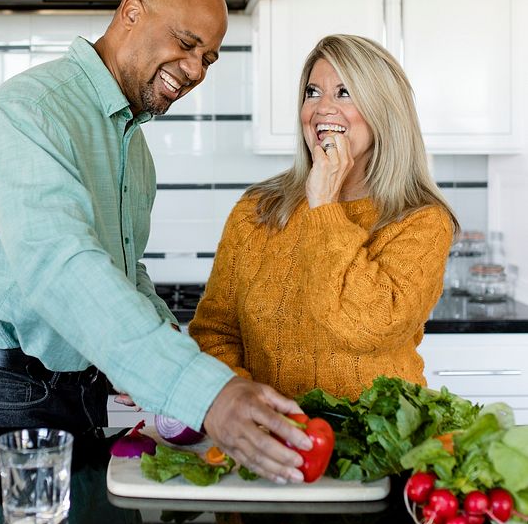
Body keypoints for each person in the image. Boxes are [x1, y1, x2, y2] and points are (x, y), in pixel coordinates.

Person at [0, 0, 310, 483]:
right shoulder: (29, 112)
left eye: (209, 58)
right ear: (131, 12)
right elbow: (63, 269)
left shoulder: (133, 145)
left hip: (75, 389)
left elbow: (123, 271)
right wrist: (202, 392)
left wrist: (157, 350)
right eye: (186, 42)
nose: (196, 70)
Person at [189, 33, 459, 401]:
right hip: (272, 439)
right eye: (313, 92)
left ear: (384, 111)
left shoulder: (422, 221)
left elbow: (367, 326)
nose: (322, 109)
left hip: (380, 445)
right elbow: (215, 333)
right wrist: (255, 406)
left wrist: (325, 206)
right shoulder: (258, 210)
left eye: (344, 93)